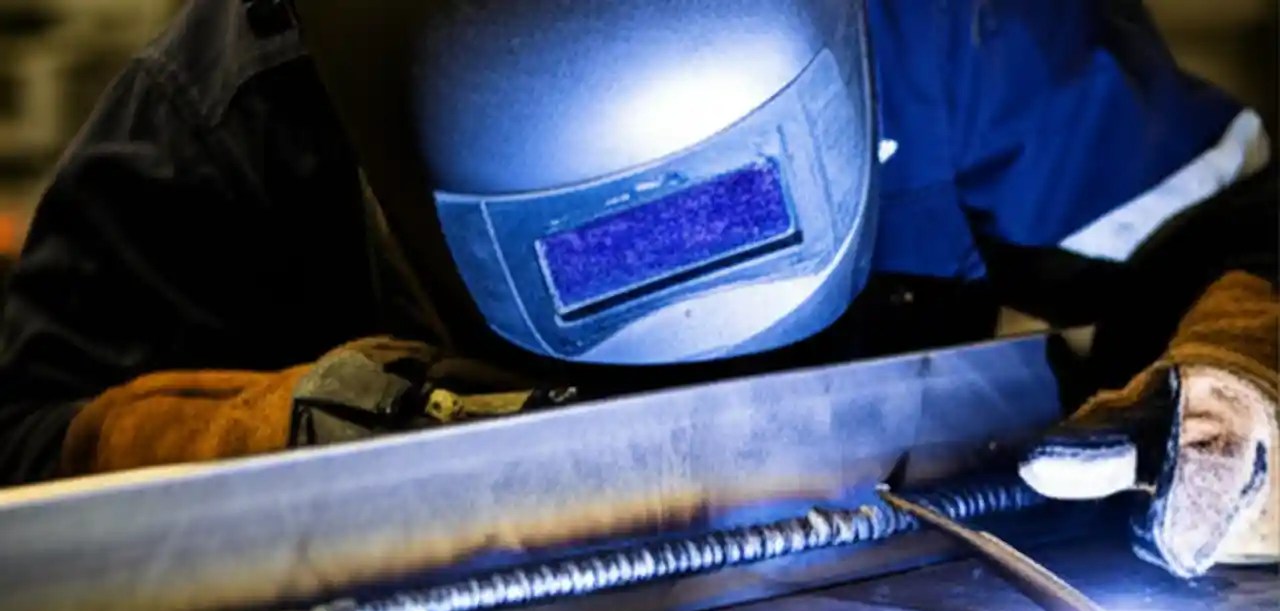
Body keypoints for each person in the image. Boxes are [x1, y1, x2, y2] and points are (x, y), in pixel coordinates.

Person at [0, 0, 1273, 579]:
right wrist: (296, 435)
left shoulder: (960, 27)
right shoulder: (226, 122)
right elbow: (31, 460)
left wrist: (1243, 370)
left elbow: (1245, 228)